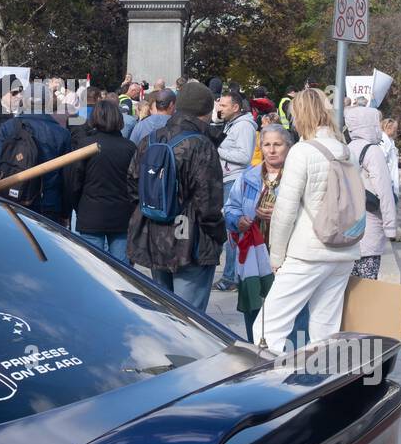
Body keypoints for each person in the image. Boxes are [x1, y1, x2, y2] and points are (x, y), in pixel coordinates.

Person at [252, 88, 361, 353]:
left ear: (299, 114)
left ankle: (271, 387)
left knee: (267, 329)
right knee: (325, 331)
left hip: (308, 252)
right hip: (344, 250)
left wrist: (276, 257)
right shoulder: (346, 151)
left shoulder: (302, 151)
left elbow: (285, 211)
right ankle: (322, 383)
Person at [126, 80, 224, 313]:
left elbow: (132, 183)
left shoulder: (151, 138)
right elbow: (208, 204)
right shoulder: (201, 145)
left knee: (165, 311)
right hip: (190, 240)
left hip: (154, 234)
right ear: (206, 111)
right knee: (190, 317)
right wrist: (219, 234)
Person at [223, 124, 291, 339]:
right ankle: (254, 348)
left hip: (283, 255)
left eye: (277, 145)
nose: (271, 150)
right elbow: (230, 208)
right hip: (251, 253)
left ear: (288, 147)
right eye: (267, 144)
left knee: (281, 309)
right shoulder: (248, 177)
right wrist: (239, 221)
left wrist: (280, 216)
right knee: (254, 307)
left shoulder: (294, 177)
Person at [62, 98, 135, 265]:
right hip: (122, 215)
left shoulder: (85, 145)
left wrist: (74, 207)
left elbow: (74, 182)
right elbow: (135, 184)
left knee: (92, 267)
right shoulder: (130, 148)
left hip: (90, 213)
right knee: (122, 272)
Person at [0, 83, 72, 224]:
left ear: (24, 101)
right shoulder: (61, 134)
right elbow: (67, 178)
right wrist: (65, 212)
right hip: (48, 205)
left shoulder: (8, 127)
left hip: (11, 201)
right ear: (48, 103)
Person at [346, 106, 398, 279]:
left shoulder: (346, 148)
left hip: (346, 227)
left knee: (348, 287)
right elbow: (384, 190)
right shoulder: (372, 151)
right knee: (367, 285)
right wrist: (390, 227)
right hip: (369, 225)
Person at [214, 92, 258, 292]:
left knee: (232, 230)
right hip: (227, 180)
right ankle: (232, 275)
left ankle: (231, 277)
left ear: (236, 107)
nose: (219, 108)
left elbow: (244, 156)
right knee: (229, 230)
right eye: (219, 104)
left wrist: (216, 149)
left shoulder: (244, 126)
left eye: (223, 105)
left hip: (234, 181)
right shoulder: (232, 124)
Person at [379, 118, 400, 205]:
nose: (396, 131)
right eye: (394, 129)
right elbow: (382, 158)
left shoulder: (390, 140)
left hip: (391, 178)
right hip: (387, 178)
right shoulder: (383, 140)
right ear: (388, 128)